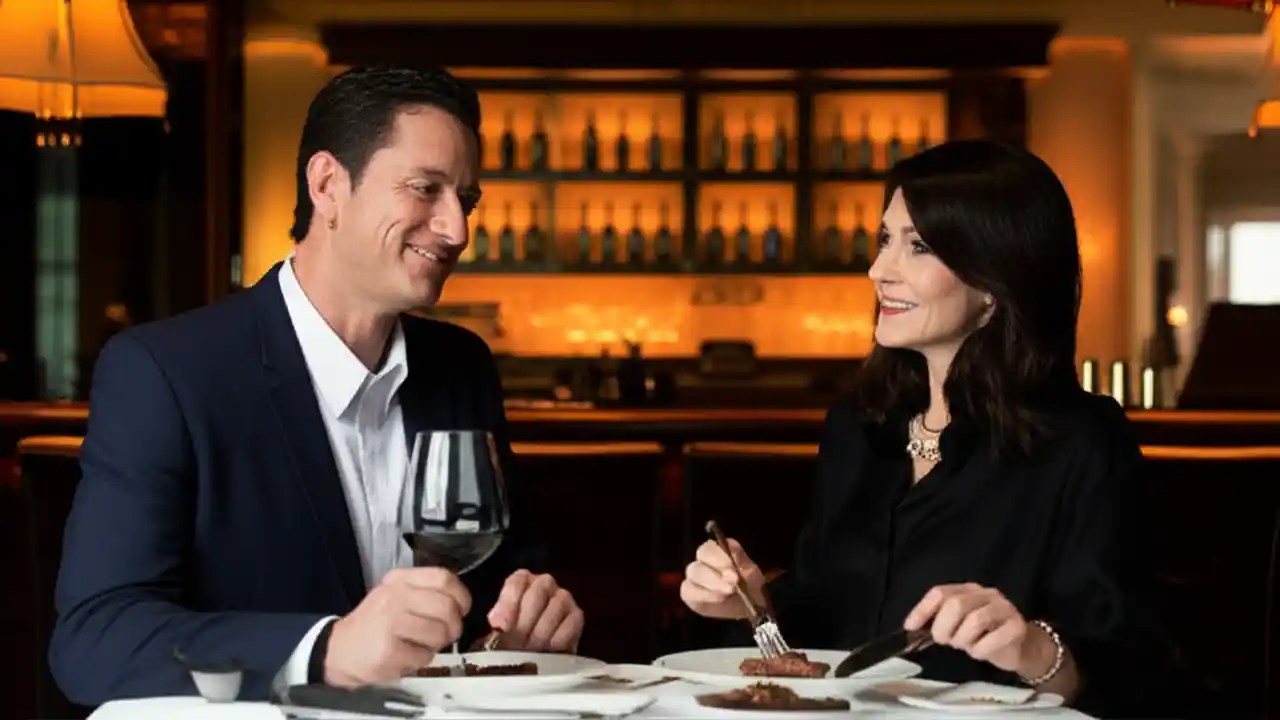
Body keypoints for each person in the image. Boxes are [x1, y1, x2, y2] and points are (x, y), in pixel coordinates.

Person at [50, 66, 584, 705]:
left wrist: (521, 629)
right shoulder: (165, 373)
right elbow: (96, 639)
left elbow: (496, 594)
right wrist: (324, 650)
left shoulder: (461, 365)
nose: (457, 230)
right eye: (425, 189)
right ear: (328, 185)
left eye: (465, 201)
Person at [680, 140, 1175, 717]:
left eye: (918, 246)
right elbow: (824, 629)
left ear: (994, 280)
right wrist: (752, 605)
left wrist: (1031, 648)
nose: (878, 270)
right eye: (884, 240)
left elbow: (1131, 673)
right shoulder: (857, 428)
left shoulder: (1081, 442)